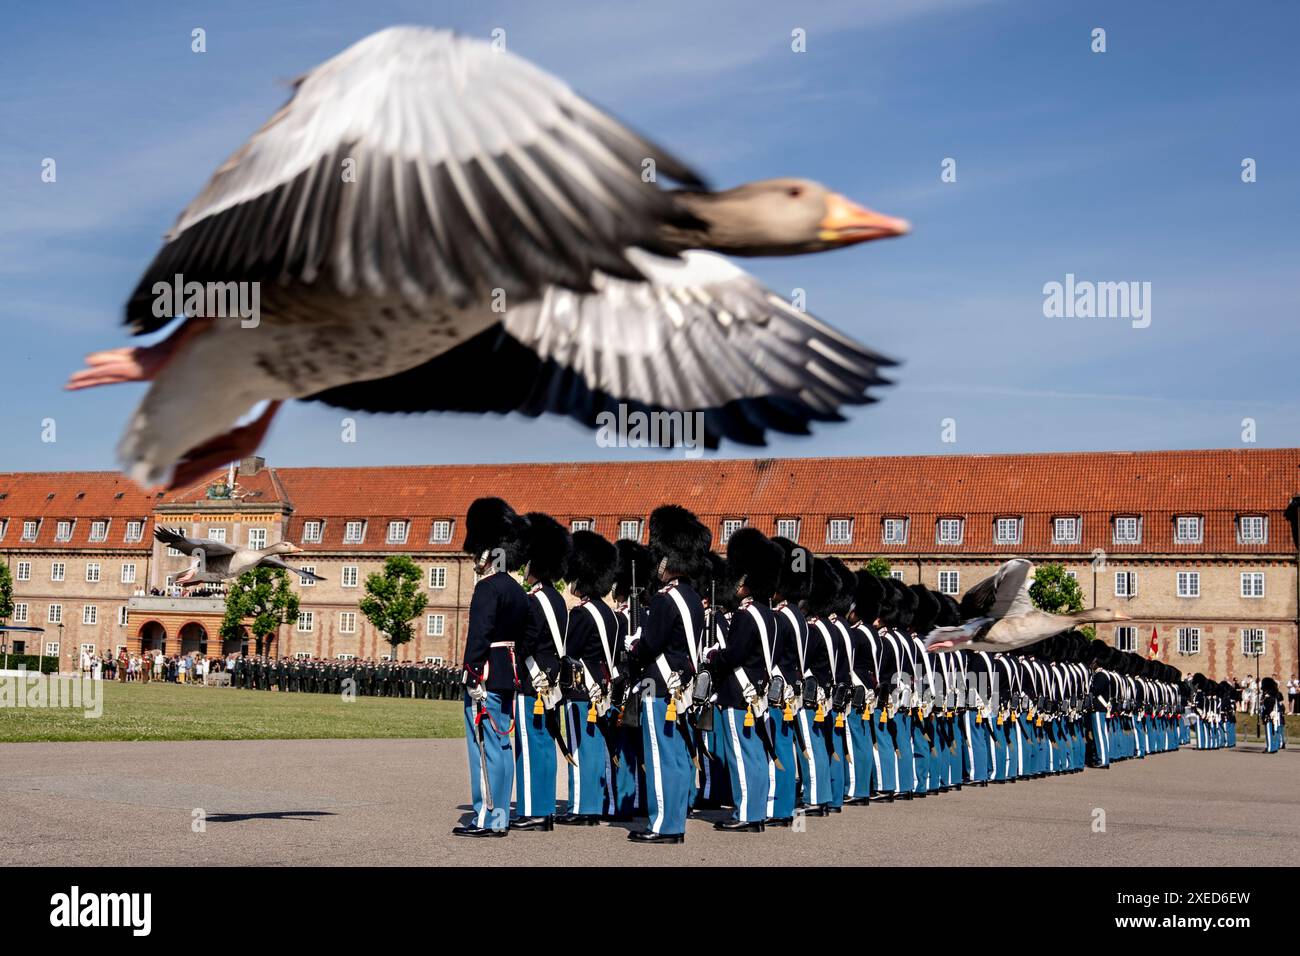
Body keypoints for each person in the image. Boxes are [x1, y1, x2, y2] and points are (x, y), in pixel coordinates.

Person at [624, 505, 708, 845]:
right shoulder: (691, 598)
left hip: (658, 686)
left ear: (666, 558)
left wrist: (633, 645)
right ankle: (674, 820)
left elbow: (650, 645)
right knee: (676, 756)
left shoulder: (665, 599)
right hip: (680, 687)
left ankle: (663, 824)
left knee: (660, 756)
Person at [453, 497, 531, 838]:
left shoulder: (487, 588)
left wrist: (471, 672)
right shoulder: (518, 591)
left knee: (483, 748)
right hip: (507, 674)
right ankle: (501, 812)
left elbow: (479, 635)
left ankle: (487, 815)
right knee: (502, 746)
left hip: (485, 674)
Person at [706, 528, 782, 832]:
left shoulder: (745, 615)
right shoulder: (768, 615)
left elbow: (733, 655)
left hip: (738, 692)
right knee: (755, 754)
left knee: (741, 755)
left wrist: (713, 656)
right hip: (757, 691)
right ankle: (757, 811)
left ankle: (745, 813)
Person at [510, 512, 571, 832]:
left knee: (530, 745)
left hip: (532, 682)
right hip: (552, 680)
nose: (524, 568)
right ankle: (544, 807)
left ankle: (532, 810)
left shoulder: (534, 600)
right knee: (545, 745)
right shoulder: (558, 599)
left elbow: (527, 642)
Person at [558, 529, 620, 826]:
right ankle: (593, 804)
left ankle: (582, 807)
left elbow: (569, 651)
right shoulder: (609, 614)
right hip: (602, 687)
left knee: (580, 747)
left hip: (582, 687)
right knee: (595, 747)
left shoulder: (581, 614)